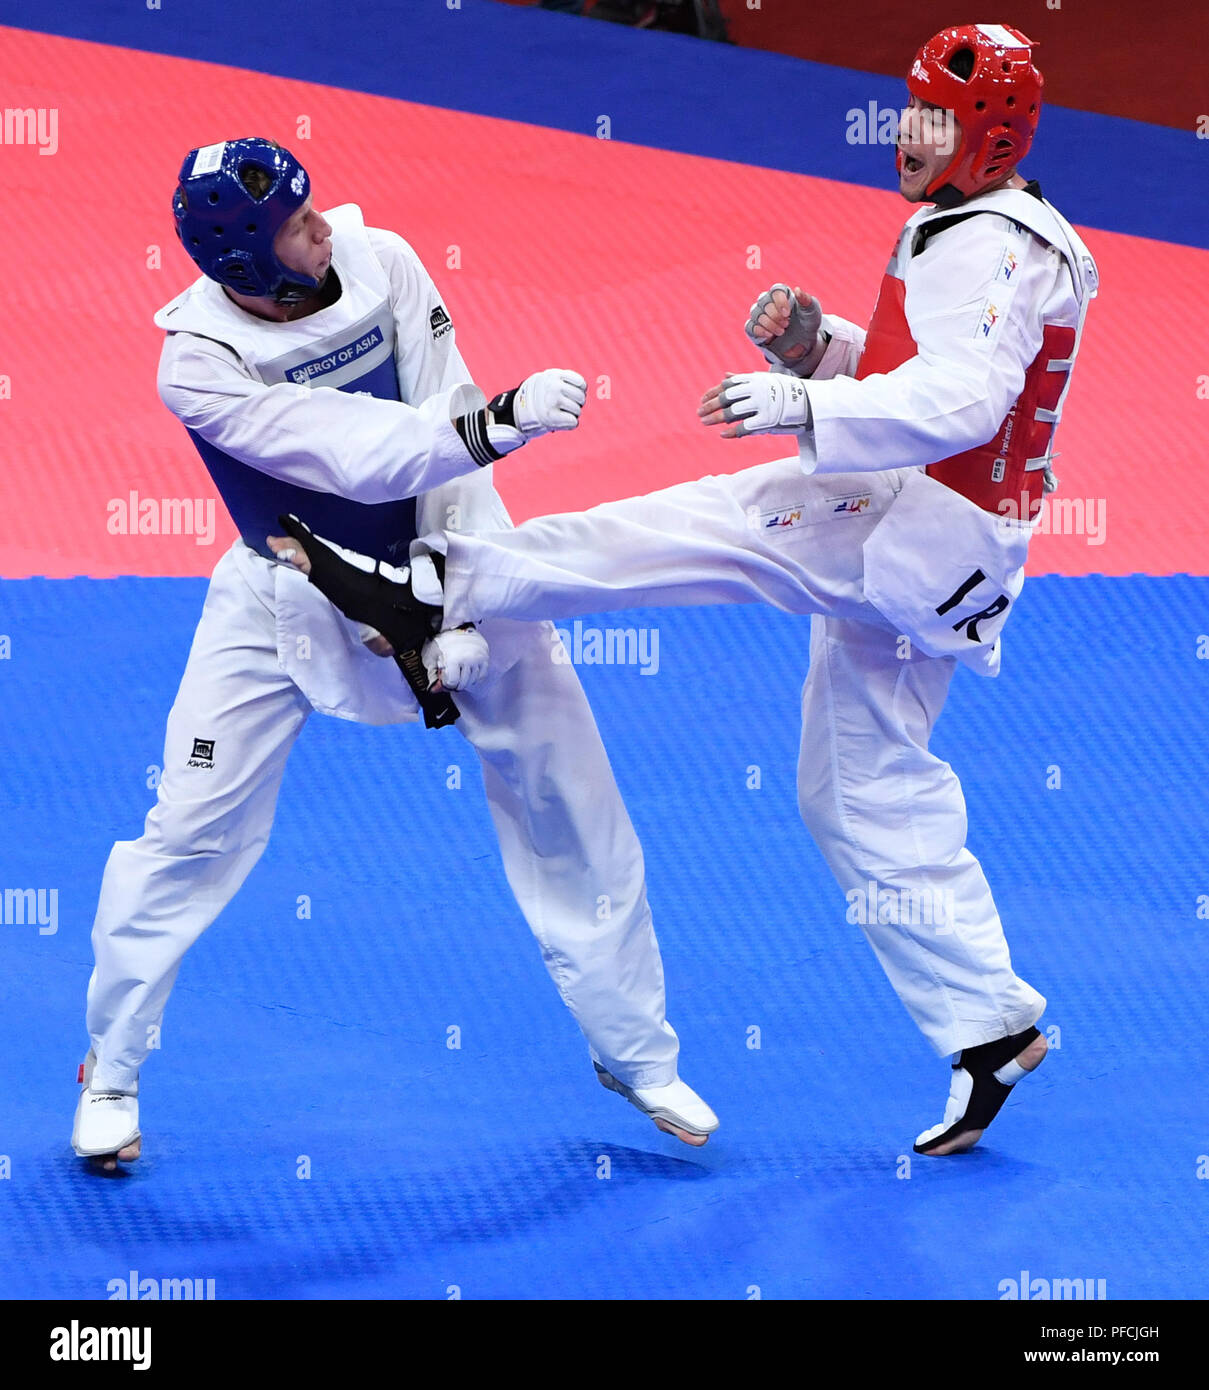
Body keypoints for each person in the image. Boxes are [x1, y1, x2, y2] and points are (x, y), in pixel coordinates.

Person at [270, 24, 1100, 1156]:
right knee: (860, 793)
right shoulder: (998, 228)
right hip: (956, 561)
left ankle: (432, 582)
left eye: (934, 119)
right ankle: (991, 1025)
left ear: (990, 134)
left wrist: (809, 412)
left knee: (690, 529)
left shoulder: (986, 243)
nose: (907, 134)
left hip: (910, 522)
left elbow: (963, 400)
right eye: (906, 109)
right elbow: (931, 376)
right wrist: (821, 353)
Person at [72, 137, 717, 1172]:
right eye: (294, 223)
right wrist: (499, 426)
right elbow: (346, 450)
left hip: (444, 556)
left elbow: (438, 424)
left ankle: (635, 1050)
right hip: (280, 592)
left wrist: (453, 599)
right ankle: (112, 1064)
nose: (321, 225)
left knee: (568, 790)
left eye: (310, 204)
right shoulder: (199, 361)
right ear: (245, 262)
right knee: (189, 828)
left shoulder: (383, 262)